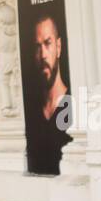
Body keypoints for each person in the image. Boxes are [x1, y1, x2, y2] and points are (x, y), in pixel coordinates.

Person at [26, 14, 70, 175]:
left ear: (58, 47)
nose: (43, 54)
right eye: (37, 47)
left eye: (47, 43)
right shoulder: (30, 112)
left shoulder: (75, 105)